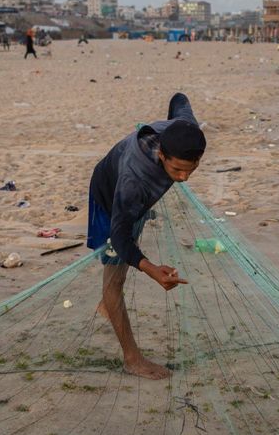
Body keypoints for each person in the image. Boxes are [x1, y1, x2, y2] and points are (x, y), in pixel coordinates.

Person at [88, 93, 205, 379]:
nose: (183, 178)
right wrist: (151, 268)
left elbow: (179, 98)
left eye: (190, 169)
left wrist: (175, 128)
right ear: (161, 155)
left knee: (121, 263)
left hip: (133, 204)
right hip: (108, 199)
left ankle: (109, 304)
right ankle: (132, 359)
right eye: (177, 170)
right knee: (115, 276)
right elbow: (119, 237)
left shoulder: (186, 128)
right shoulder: (133, 181)